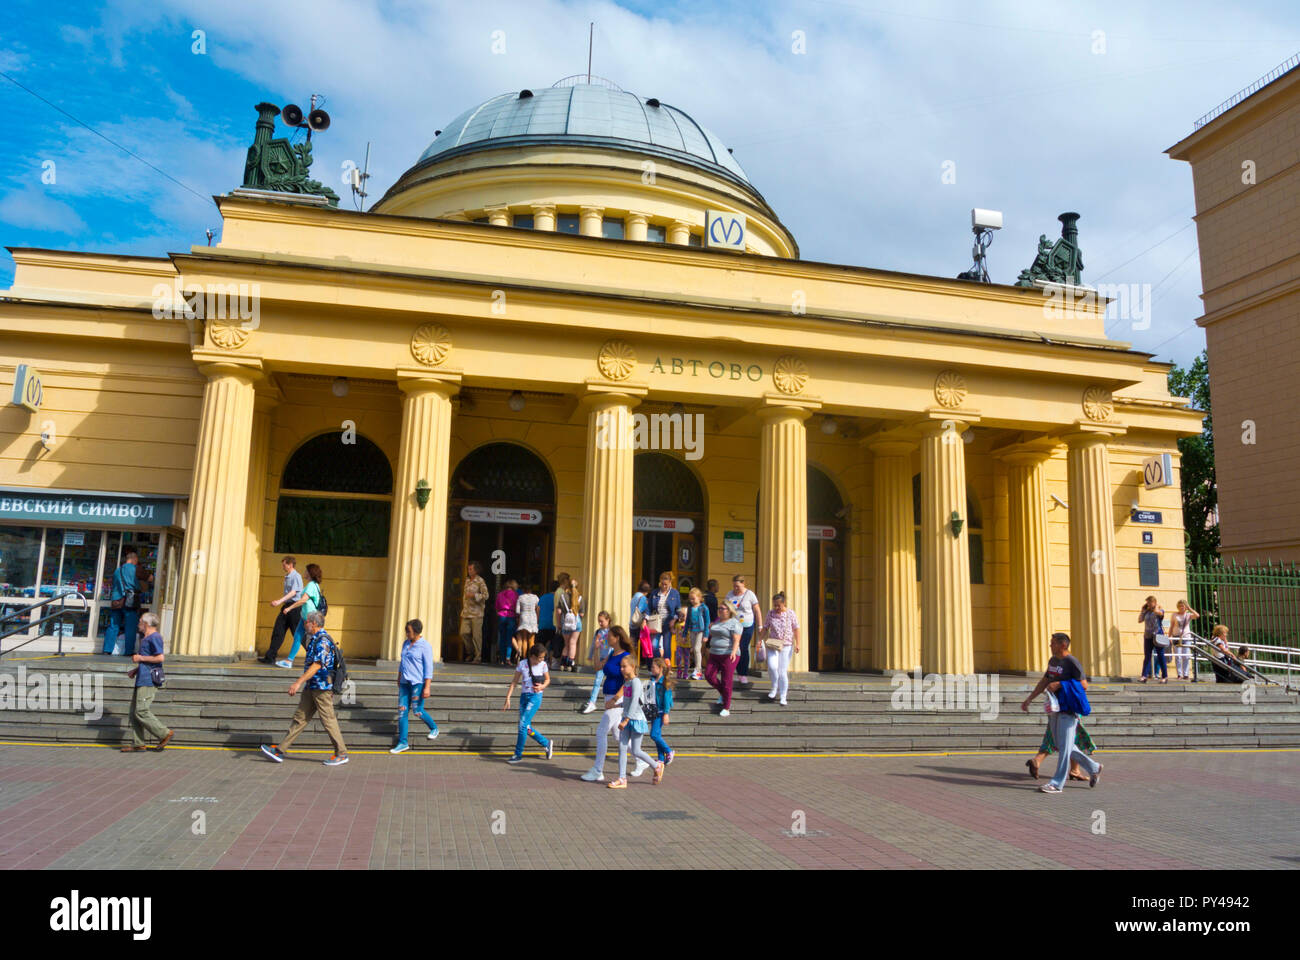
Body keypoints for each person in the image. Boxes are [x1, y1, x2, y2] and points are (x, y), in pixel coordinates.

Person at [260, 611, 349, 766]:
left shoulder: (322, 641)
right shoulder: (314, 639)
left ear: (313, 623)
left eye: (306, 621)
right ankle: (280, 750)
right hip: (312, 686)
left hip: (321, 687)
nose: (304, 624)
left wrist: (298, 682)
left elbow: (317, 664)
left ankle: (341, 753)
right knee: (300, 718)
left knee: (328, 720)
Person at [1020, 632, 1101, 794]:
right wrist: (1029, 699)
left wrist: (1060, 684)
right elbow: (1044, 680)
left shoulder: (1072, 662)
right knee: (1061, 745)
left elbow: (1084, 685)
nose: (1050, 645)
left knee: (1064, 748)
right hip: (1054, 707)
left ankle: (1057, 784)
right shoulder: (1053, 661)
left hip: (1068, 709)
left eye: (1053, 643)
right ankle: (1094, 767)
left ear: (1063, 645)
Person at [581, 628, 643, 782]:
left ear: (617, 638)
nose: (607, 638)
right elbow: (597, 667)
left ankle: (597, 770)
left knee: (601, 731)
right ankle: (642, 760)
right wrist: (596, 650)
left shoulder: (626, 657)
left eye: (609, 636)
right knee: (618, 735)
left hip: (619, 699)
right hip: (609, 696)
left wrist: (615, 699)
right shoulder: (611, 654)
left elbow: (628, 681)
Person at [608, 654, 665, 788]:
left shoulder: (636, 682)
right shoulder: (627, 683)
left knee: (636, 750)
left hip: (636, 720)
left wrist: (626, 719)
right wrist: (617, 705)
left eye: (624, 666)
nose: (621, 669)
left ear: (633, 667)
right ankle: (622, 779)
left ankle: (657, 765)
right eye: (620, 666)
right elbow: (628, 702)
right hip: (627, 718)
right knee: (622, 748)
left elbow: (635, 703)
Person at [121, 612, 172, 752]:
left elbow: (160, 658)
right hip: (142, 676)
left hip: (149, 680)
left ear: (147, 624)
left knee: (141, 710)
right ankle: (139, 743)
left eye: (140, 621)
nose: (138, 624)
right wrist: (136, 670)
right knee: (134, 713)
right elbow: (148, 659)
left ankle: (164, 733)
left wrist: (140, 659)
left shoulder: (154, 637)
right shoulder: (145, 638)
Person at [390, 618, 438, 754]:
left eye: (409, 631)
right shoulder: (406, 643)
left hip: (418, 682)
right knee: (402, 711)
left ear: (416, 632)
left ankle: (434, 728)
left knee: (417, 710)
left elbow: (429, 668)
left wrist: (427, 686)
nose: (406, 634)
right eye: (406, 631)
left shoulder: (425, 646)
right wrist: (399, 677)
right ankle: (403, 742)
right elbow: (402, 662)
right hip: (405, 682)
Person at [502, 642, 554, 763]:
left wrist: (542, 687)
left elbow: (548, 680)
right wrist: (508, 697)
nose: (541, 660)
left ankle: (518, 754)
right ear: (533, 656)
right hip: (524, 697)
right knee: (526, 727)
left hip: (535, 697)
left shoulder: (543, 665)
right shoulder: (522, 664)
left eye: (543, 658)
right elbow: (514, 682)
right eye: (539, 658)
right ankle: (546, 743)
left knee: (522, 725)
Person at [276, 562, 323, 668]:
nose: (304, 573)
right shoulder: (315, 585)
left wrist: (289, 608)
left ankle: (318, 660)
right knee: (298, 637)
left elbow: (303, 600)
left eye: (306, 571)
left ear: (311, 573)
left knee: (312, 639)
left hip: (309, 617)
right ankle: (289, 661)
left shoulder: (311, 585)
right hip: (306, 616)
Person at [760, 591, 801, 706]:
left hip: (787, 645)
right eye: (775, 605)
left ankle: (783, 696)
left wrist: (798, 644)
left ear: (784, 603)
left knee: (782, 672)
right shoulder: (771, 613)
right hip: (773, 644)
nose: (776, 607)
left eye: (779, 605)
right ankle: (774, 687)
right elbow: (765, 627)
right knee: (772, 667)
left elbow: (796, 629)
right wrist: (759, 640)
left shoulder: (791, 614)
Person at [261, 556, 304, 665]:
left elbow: (294, 592)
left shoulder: (296, 576)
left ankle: (316, 657)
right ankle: (270, 657)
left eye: (284, 564)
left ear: (290, 565)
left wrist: (279, 601)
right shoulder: (287, 576)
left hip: (294, 608)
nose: (283, 566)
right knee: (278, 631)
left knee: (298, 634)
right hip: (287, 606)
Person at [705, 599, 743, 717]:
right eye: (719, 608)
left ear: (729, 610)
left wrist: (733, 652)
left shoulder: (734, 623)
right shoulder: (717, 622)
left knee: (727, 680)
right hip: (714, 653)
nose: (720, 611)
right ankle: (724, 693)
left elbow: (737, 640)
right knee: (708, 675)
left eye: (723, 609)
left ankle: (726, 707)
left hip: (729, 655)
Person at [1026, 719, 1096, 781]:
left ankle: (1037, 760)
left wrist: (1027, 703)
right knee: (1074, 737)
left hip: (1054, 710)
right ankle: (1074, 771)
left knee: (1052, 737)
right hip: (1068, 712)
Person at [725, 575, 762, 686]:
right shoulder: (729, 595)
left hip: (747, 625)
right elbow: (726, 610)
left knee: (743, 648)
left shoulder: (750, 594)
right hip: (734, 625)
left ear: (743, 584)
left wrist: (760, 625)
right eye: (734, 586)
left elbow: (757, 610)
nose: (735, 588)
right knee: (734, 649)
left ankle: (743, 674)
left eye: (738, 586)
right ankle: (733, 672)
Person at [103, 549, 140, 656]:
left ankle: (107, 650)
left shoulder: (117, 570)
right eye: (136, 561)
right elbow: (146, 581)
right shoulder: (135, 569)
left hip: (117, 601)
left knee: (113, 625)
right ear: (134, 559)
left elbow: (115, 585)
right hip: (129, 601)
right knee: (130, 627)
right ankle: (128, 651)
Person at [581, 611, 614, 713]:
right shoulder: (598, 632)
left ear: (608, 620)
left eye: (602, 621)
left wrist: (608, 658)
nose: (600, 623)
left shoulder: (611, 632)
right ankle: (592, 701)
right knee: (597, 680)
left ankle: (612, 700)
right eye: (598, 621)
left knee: (611, 680)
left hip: (610, 659)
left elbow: (613, 647)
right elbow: (593, 644)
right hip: (601, 659)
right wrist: (590, 655)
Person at [647, 656, 676, 765]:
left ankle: (668, 751)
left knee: (654, 735)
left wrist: (666, 713)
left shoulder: (664, 682)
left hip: (661, 711)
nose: (651, 669)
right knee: (657, 735)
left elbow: (667, 698)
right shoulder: (653, 680)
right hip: (654, 711)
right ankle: (661, 758)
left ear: (660, 668)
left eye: (653, 667)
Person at [649, 571, 681, 662]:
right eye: (662, 584)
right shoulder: (655, 593)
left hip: (668, 624)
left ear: (670, 582)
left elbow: (678, 609)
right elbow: (649, 608)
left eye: (666, 584)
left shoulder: (675, 593)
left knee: (667, 647)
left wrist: (674, 620)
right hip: (656, 624)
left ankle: (667, 666)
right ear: (660, 582)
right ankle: (659, 664)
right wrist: (645, 619)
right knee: (654, 646)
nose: (664, 586)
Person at [461, 560, 488, 663]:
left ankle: (478, 656)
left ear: (476, 570)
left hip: (477, 613)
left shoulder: (480, 581)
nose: (469, 571)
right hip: (466, 612)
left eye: (471, 569)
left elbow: (486, 595)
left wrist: (474, 595)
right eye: (468, 569)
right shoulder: (467, 580)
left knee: (476, 636)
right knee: (463, 633)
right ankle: (470, 652)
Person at [1138, 595, 1167, 683]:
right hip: (1148, 636)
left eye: (1150, 602)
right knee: (1147, 656)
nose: (1149, 605)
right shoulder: (1146, 612)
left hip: (1157, 635)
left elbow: (1160, 613)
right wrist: (1142, 611)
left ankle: (1164, 677)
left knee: (1160, 655)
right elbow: (1139, 620)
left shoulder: (1160, 610)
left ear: (1154, 602)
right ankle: (1144, 676)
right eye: (1147, 603)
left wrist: (1156, 607)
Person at [684, 587, 711, 680]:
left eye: (693, 598)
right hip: (692, 630)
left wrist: (706, 634)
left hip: (700, 631)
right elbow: (687, 621)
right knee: (694, 650)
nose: (691, 600)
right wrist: (684, 634)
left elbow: (707, 621)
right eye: (690, 599)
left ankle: (698, 670)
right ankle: (696, 669)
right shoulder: (690, 608)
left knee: (696, 649)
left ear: (699, 597)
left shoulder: (704, 608)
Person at [1169, 600, 1200, 680]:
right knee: (1178, 656)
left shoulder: (1188, 615)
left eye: (1183, 606)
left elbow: (1197, 615)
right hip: (1176, 636)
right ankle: (1179, 674)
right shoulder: (1174, 615)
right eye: (1179, 606)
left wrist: (1189, 608)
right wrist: (1169, 637)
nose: (1181, 608)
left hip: (1186, 637)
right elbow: (1171, 626)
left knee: (1186, 656)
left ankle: (1186, 674)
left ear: (1185, 607)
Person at [559, 578, 585, 671]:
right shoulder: (580, 598)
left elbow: (559, 611)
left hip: (565, 622)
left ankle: (563, 663)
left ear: (567, 587)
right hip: (576, 623)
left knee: (566, 644)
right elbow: (582, 614)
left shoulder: (562, 597)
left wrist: (559, 623)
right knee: (573, 643)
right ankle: (570, 663)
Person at [495, 578, 519, 666]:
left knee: (502, 638)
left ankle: (501, 659)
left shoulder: (500, 594)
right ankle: (508, 658)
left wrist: (499, 613)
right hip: (511, 616)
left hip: (502, 615)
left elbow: (496, 606)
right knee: (509, 638)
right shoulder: (516, 595)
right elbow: (517, 607)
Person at [514, 583, 540, 663]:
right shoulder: (535, 597)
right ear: (531, 590)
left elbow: (517, 611)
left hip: (524, 617)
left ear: (523, 590)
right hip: (533, 617)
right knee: (531, 640)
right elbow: (537, 608)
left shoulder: (520, 597)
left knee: (524, 639)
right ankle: (531, 657)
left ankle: (524, 658)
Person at [537, 582, 558, 666]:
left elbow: (538, 609)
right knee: (552, 644)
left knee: (541, 643)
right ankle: (550, 662)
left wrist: (538, 621)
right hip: (553, 624)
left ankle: (541, 660)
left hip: (542, 624)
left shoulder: (542, 597)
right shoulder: (556, 598)